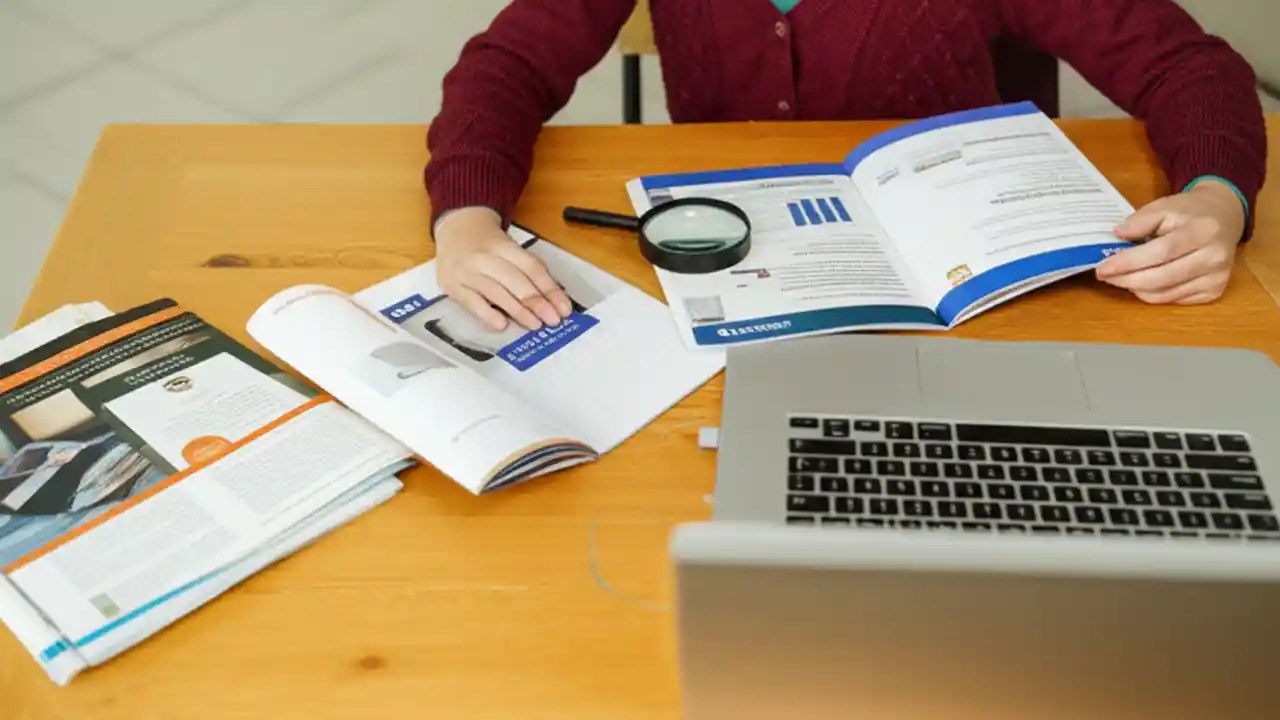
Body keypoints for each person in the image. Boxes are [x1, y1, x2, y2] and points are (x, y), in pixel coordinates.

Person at [426, 0, 1268, 331]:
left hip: (990, 295)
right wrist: (466, 217)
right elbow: (508, 66)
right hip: (752, 281)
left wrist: (1216, 197)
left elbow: (1185, 67)